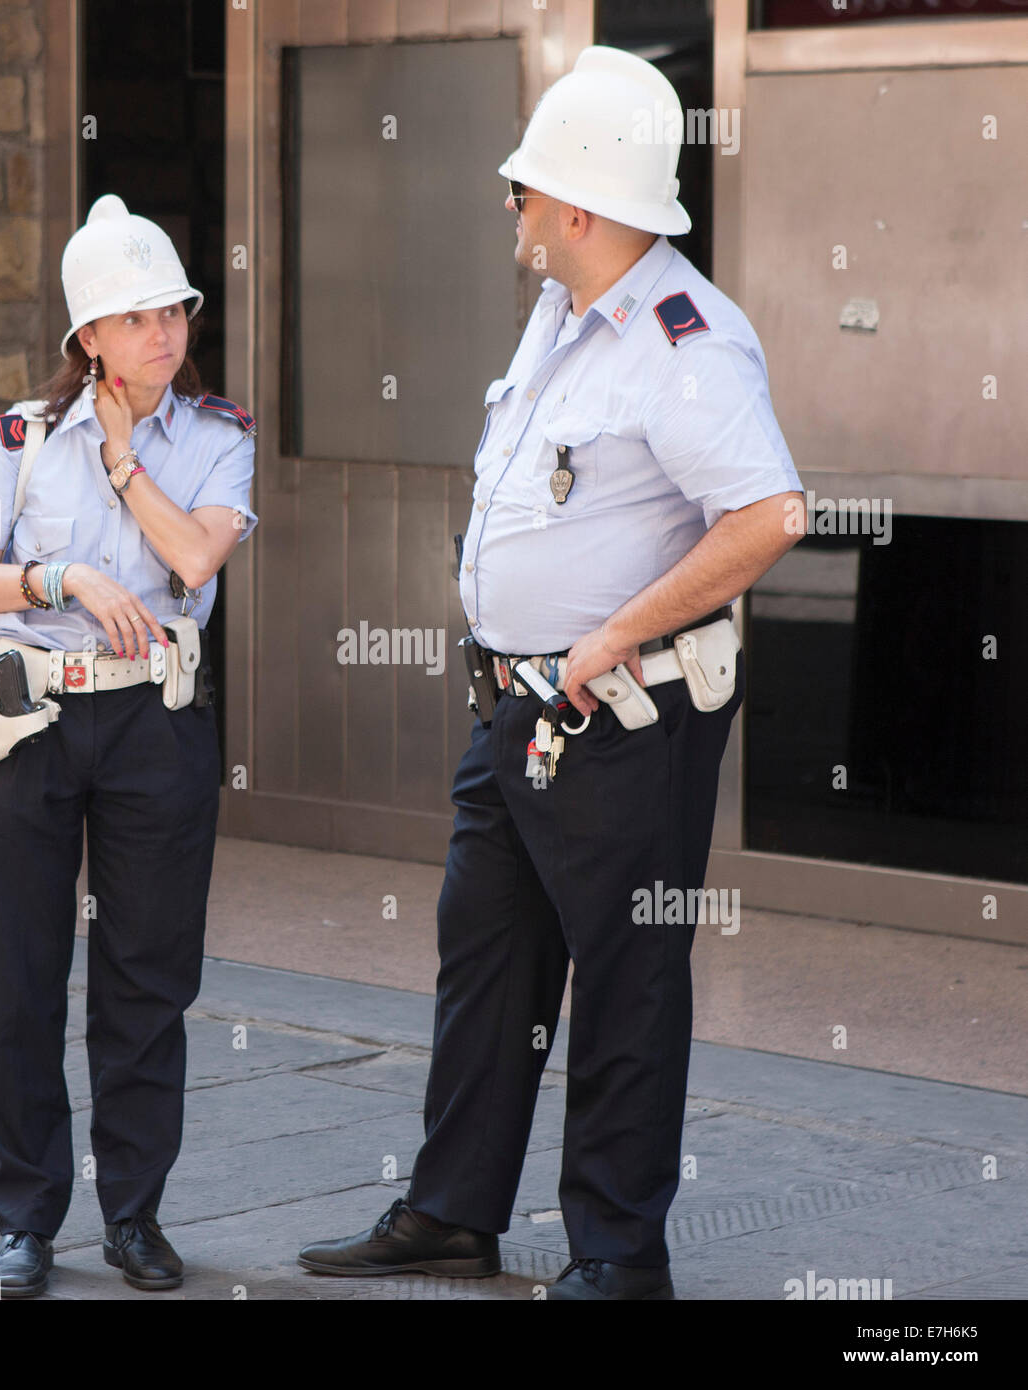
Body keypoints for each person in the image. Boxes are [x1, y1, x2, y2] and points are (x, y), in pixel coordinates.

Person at [298, 47, 804, 1300]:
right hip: (517, 712)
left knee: (626, 979)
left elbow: (767, 516)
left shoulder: (684, 340)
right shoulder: (562, 313)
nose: (509, 205)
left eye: (521, 188)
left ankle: (618, 1256)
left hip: (618, 715)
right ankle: (452, 1210)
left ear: (577, 206)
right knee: (486, 961)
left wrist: (615, 630)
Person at [0, 194, 257, 1297]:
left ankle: (134, 1216)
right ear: (88, 339)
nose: (163, 334)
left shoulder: (217, 439)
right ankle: (25, 1219)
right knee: (18, 976)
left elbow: (192, 563)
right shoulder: (20, 436)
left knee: (145, 978)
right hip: (28, 713)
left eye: (173, 310)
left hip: (152, 720)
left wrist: (126, 461)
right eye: (134, 318)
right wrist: (62, 576)